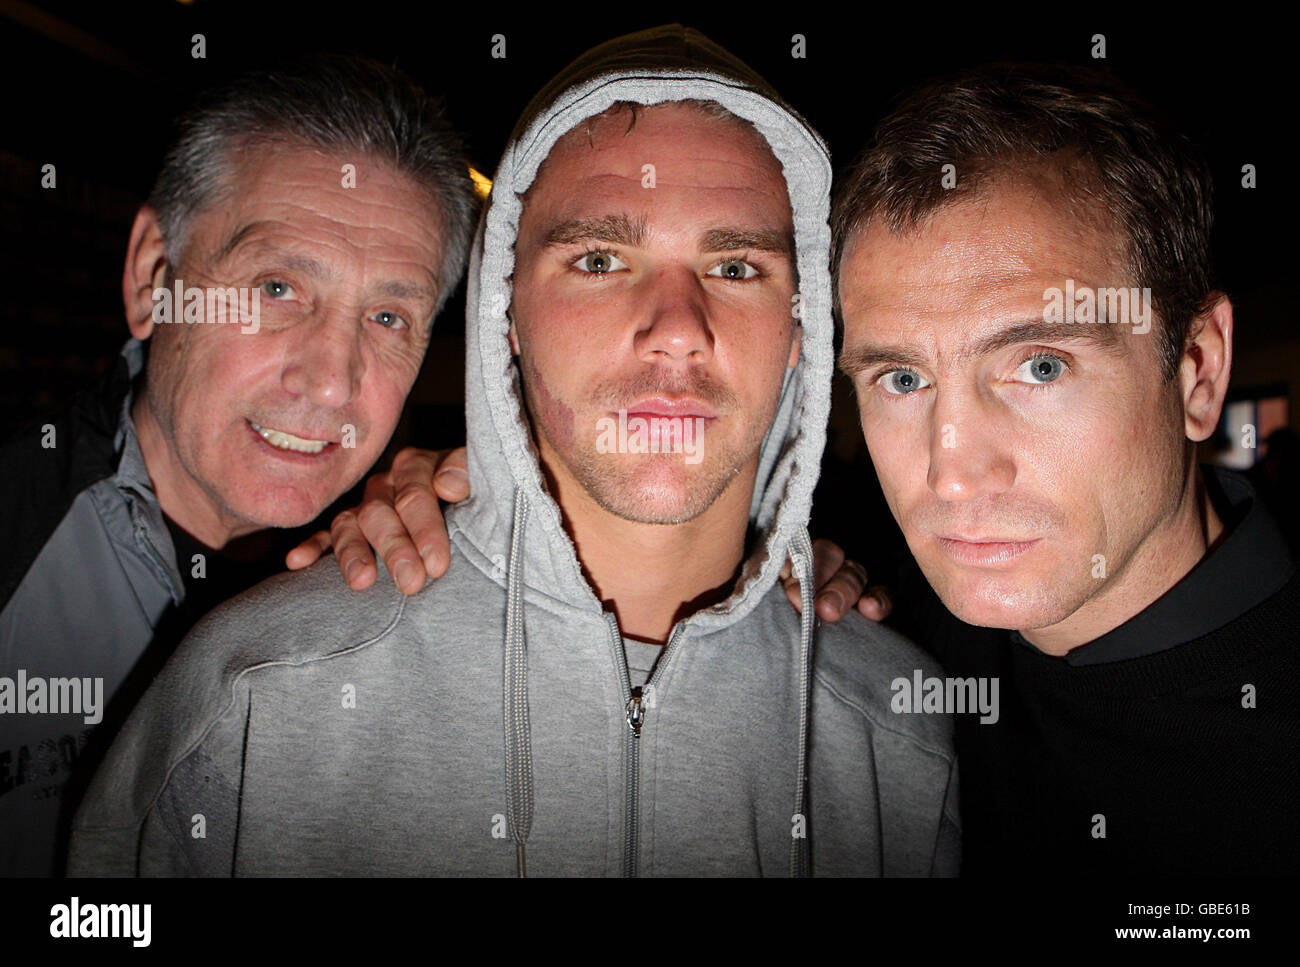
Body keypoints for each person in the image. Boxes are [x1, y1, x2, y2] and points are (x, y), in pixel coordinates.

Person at [68, 25, 959, 877]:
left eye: (735, 268)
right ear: (506, 315)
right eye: (602, 261)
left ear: (803, 326)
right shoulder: (252, 695)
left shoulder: (904, 736)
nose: (677, 334)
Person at [0, 53, 477, 876]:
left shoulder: (414, 564)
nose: (332, 381)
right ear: (155, 275)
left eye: (389, 314)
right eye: (278, 287)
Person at [832, 63, 1299, 874]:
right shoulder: (886, 647)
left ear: (1197, 371)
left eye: (1040, 366)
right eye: (903, 380)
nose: (952, 475)